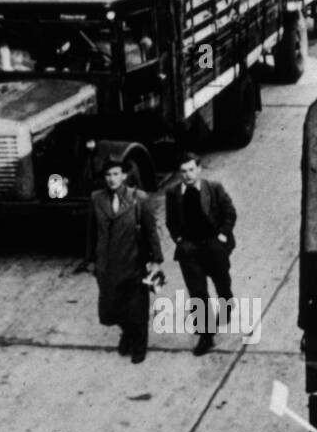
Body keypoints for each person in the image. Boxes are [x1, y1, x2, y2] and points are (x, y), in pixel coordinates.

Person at [84, 157, 164, 364]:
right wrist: (90, 260)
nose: (112, 179)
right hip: (107, 265)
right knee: (112, 309)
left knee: (137, 308)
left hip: (133, 261)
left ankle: (139, 345)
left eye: (116, 174)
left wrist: (156, 260)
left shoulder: (139, 198)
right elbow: (92, 232)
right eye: (108, 175)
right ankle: (127, 333)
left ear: (125, 176)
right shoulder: (96, 199)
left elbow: (150, 231)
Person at [165, 151, 237, 356]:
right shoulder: (173, 193)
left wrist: (222, 236)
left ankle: (226, 302)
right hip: (189, 249)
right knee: (197, 293)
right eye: (183, 171)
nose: (187, 175)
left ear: (199, 169)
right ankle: (206, 336)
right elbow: (171, 221)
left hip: (213, 245)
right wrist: (179, 240)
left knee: (222, 283)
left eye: (191, 170)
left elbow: (229, 212)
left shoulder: (213, 188)